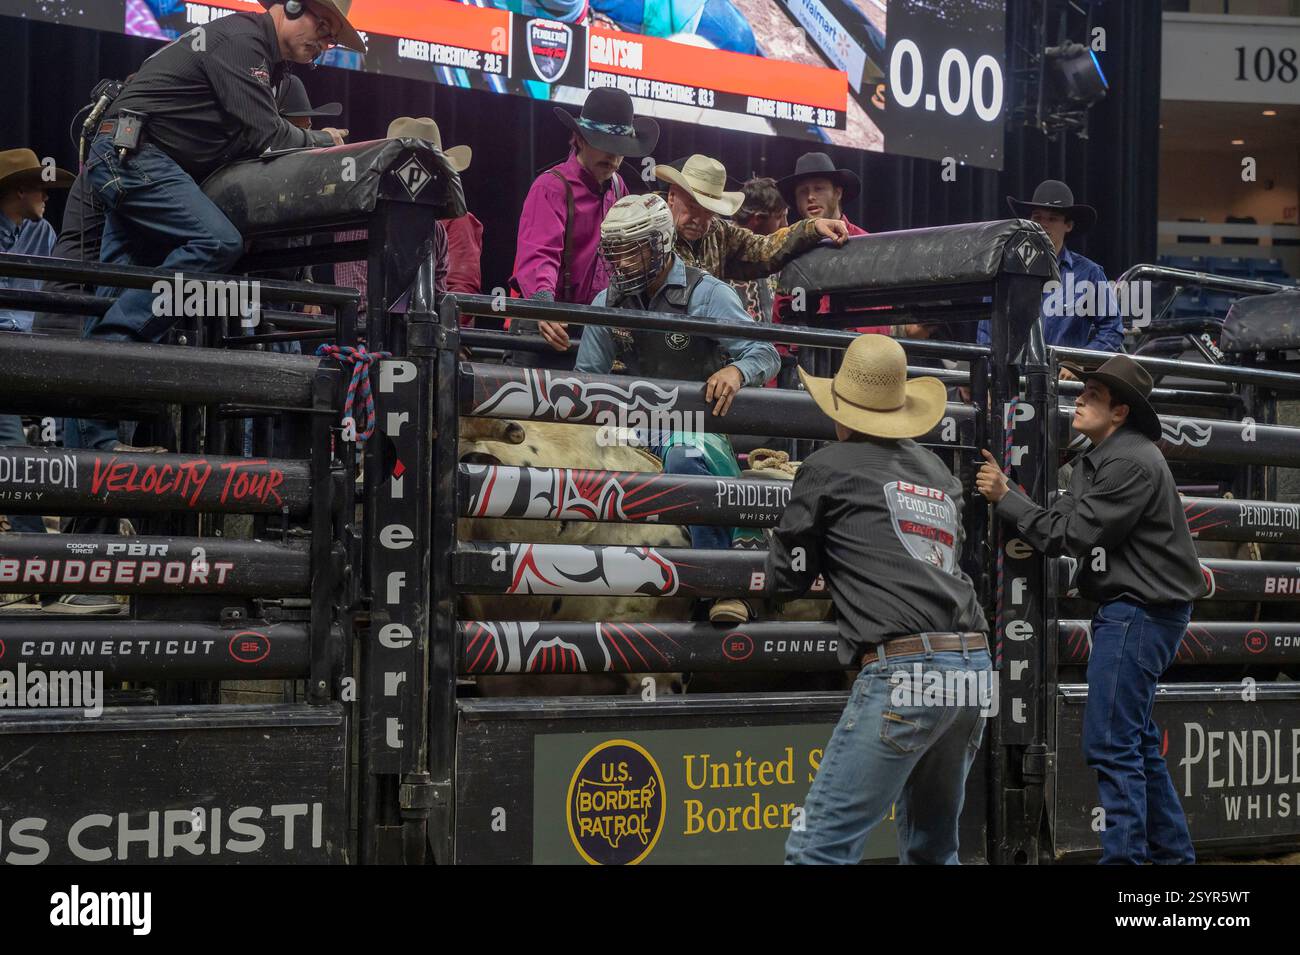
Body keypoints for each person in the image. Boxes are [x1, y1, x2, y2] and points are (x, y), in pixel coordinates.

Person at [70, 0, 359, 452]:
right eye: (321, 27)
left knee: (118, 292)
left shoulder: (264, 60)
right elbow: (269, 135)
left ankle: (92, 453)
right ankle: (117, 337)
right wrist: (322, 139)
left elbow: (255, 137)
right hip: (133, 156)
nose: (323, 43)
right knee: (217, 241)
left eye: (329, 38)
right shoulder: (243, 41)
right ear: (291, 7)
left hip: (140, 159)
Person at [768, 334, 990, 864]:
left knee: (817, 849)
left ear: (839, 409)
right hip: (974, 666)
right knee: (934, 848)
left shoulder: (826, 466)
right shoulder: (938, 472)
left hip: (907, 669)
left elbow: (788, 577)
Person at [976, 355, 1204, 864]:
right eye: (1083, 391)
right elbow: (1066, 520)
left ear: (1119, 412)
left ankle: (1126, 863)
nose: (1078, 399)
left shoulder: (1126, 462)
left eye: (1093, 395)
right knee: (1135, 741)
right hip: (1140, 611)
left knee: (1111, 744)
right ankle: (1173, 859)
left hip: (1138, 612)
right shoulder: (1108, 456)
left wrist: (1007, 498)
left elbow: (1070, 534)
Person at [574, 194, 779, 623]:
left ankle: (721, 581)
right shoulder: (605, 304)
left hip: (692, 423)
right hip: (629, 425)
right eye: (616, 252)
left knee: (686, 454)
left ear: (660, 243)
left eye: (633, 250)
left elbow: (764, 350)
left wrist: (738, 372)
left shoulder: (707, 294)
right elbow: (586, 381)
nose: (623, 262)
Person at [510, 87, 659, 365]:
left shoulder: (618, 186)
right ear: (578, 139)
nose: (614, 159)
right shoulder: (551, 187)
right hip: (547, 323)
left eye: (620, 150)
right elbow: (540, 256)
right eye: (605, 146)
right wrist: (545, 308)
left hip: (594, 324)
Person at [0, 147, 74, 537]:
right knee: (10, 441)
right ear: (20, 190)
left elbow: (53, 294)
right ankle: (34, 548)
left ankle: (62, 534)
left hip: (31, 350)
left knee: (76, 419)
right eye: (41, 189)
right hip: (8, 354)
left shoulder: (41, 233)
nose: (47, 197)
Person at [977, 179, 1123, 365]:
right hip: (1011, 385)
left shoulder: (1089, 273)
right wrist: (991, 377)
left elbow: (1112, 329)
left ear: (1068, 225)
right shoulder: (1004, 270)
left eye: (1052, 219)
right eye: (1037, 217)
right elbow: (986, 332)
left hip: (1063, 387)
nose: (1043, 225)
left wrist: (1079, 362)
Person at [333, 116, 467, 316]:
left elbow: (438, 297)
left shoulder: (437, 230)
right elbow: (357, 305)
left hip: (408, 334)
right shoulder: (361, 220)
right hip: (367, 338)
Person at [729, 176, 787, 326]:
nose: (785, 225)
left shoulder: (776, 251)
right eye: (780, 217)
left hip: (772, 343)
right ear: (758, 219)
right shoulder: (721, 243)